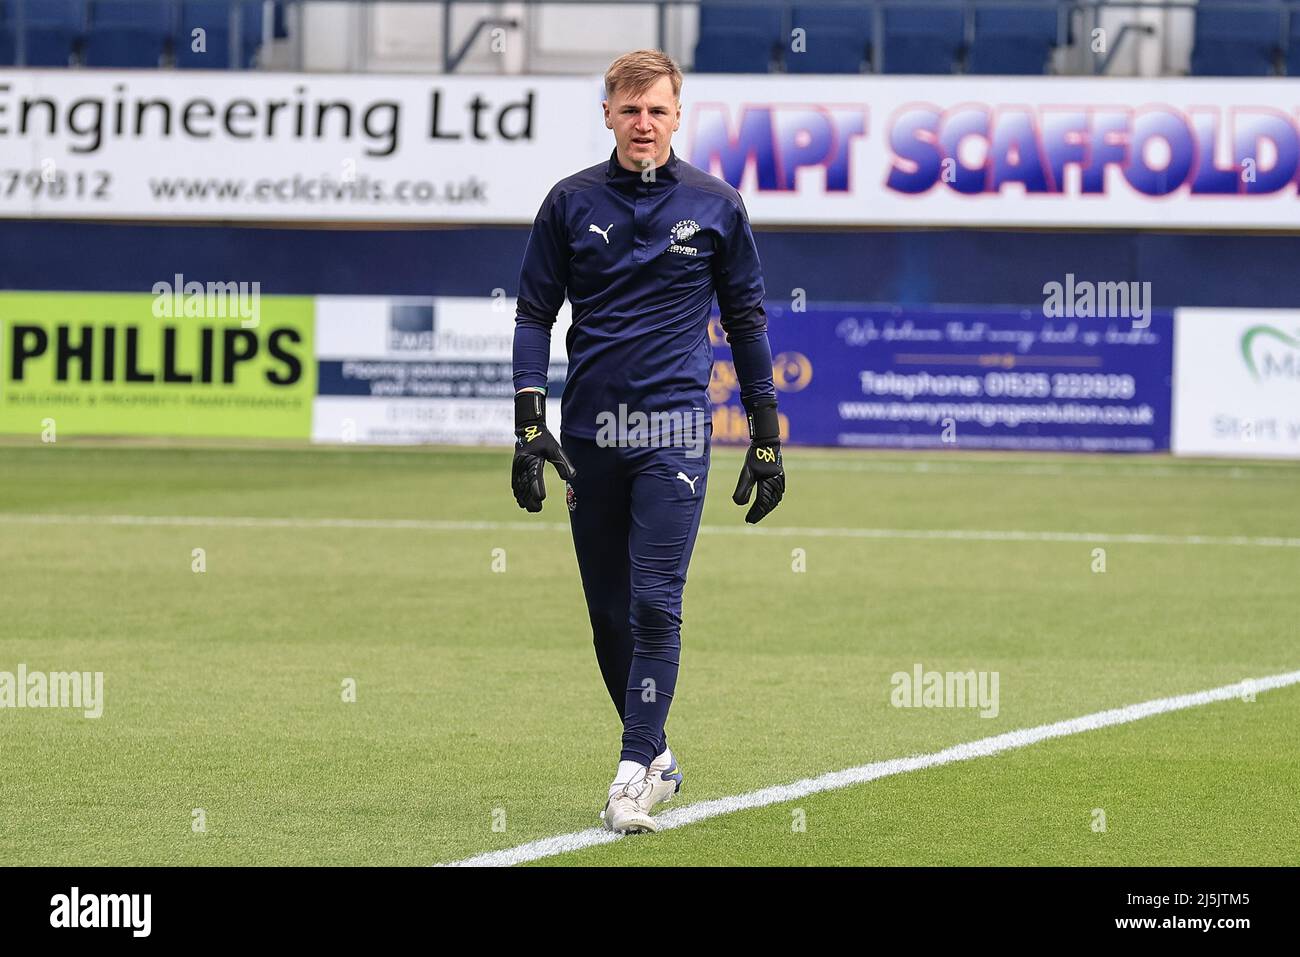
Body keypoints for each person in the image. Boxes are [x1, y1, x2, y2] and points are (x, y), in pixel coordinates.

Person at [509, 49, 785, 834]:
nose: (643, 124)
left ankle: (631, 773)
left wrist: (765, 434)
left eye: (657, 110)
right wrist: (529, 424)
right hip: (589, 436)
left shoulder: (717, 204)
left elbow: (746, 323)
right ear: (607, 114)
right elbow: (534, 314)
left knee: (656, 601)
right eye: (629, 110)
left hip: (673, 432)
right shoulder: (568, 202)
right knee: (607, 616)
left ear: (677, 115)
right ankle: (658, 755)